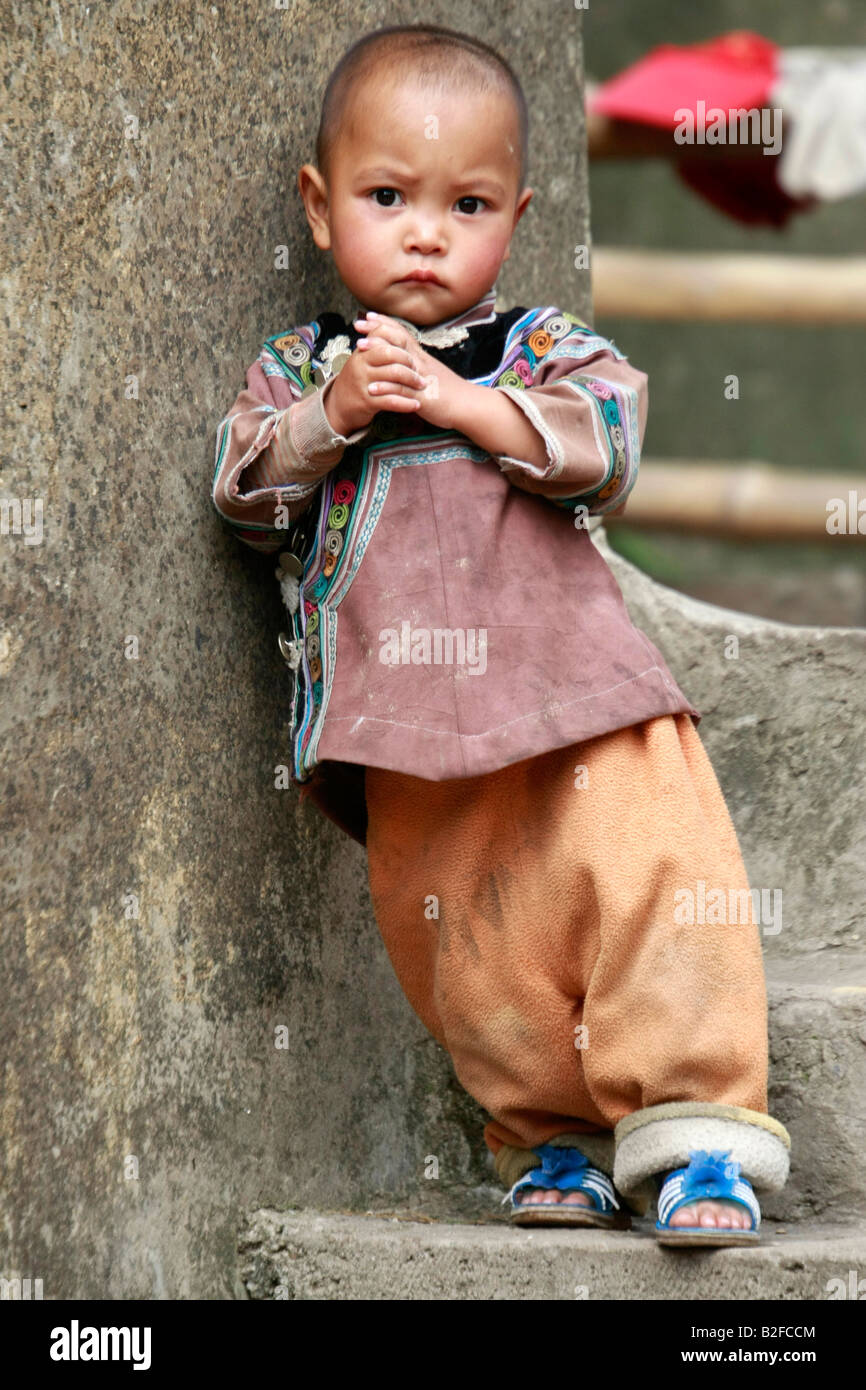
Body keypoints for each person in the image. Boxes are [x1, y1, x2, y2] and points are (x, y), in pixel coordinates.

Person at [211, 23, 790, 1245]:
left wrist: (466, 404)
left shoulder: (535, 349)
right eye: (385, 196)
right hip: (405, 720)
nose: (425, 231)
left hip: (584, 694)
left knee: (655, 883)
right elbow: (245, 498)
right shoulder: (304, 367)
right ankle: (554, 1135)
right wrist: (332, 415)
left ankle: (693, 1133)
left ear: (513, 218)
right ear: (318, 210)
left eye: (465, 203)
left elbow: (607, 445)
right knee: (470, 947)